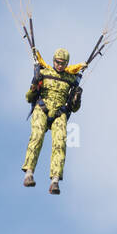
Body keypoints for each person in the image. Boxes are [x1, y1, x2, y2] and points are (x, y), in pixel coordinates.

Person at [22, 47, 83, 194]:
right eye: (57, 62)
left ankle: (55, 181)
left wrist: (76, 98)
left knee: (60, 143)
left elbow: (74, 109)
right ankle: (29, 174)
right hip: (41, 109)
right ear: (53, 60)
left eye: (63, 63)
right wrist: (34, 85)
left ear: (67, 63)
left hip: (60, 113)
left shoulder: (71, 79)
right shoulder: (44, 73)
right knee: (37, 136)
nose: (59, 65)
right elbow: (28, 98)